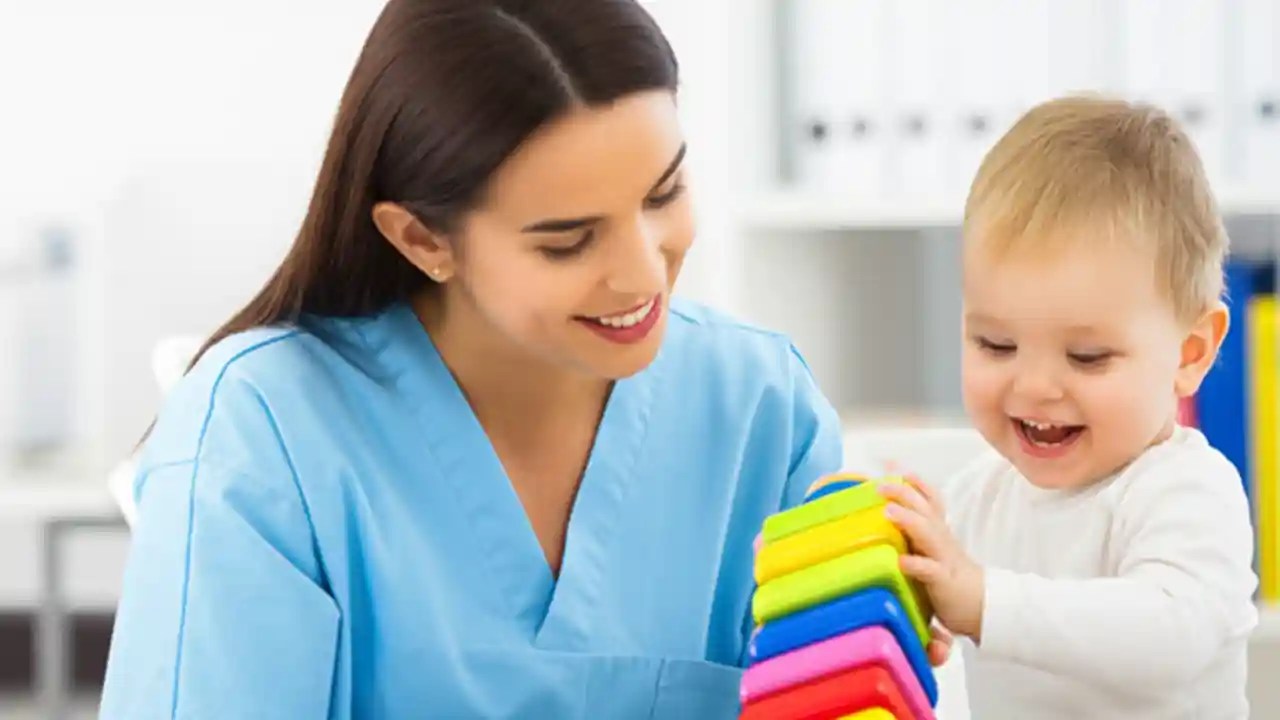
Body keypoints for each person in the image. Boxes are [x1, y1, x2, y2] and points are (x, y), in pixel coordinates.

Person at [98, 1, 952, 717]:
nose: (644, 271)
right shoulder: (262, 434)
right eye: (568, 241)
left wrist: (893, 629)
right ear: (422, 237)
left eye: (664, 194)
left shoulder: (759, 408)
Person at [880, 95, 1260, 719]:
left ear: (1190, 353)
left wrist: (982, 602)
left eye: (1086, 357)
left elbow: (1170, 634)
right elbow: (956, 601)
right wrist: (899, 586)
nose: (1034, 388)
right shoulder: (981, 496)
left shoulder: (1187, 490)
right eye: (996, 344)